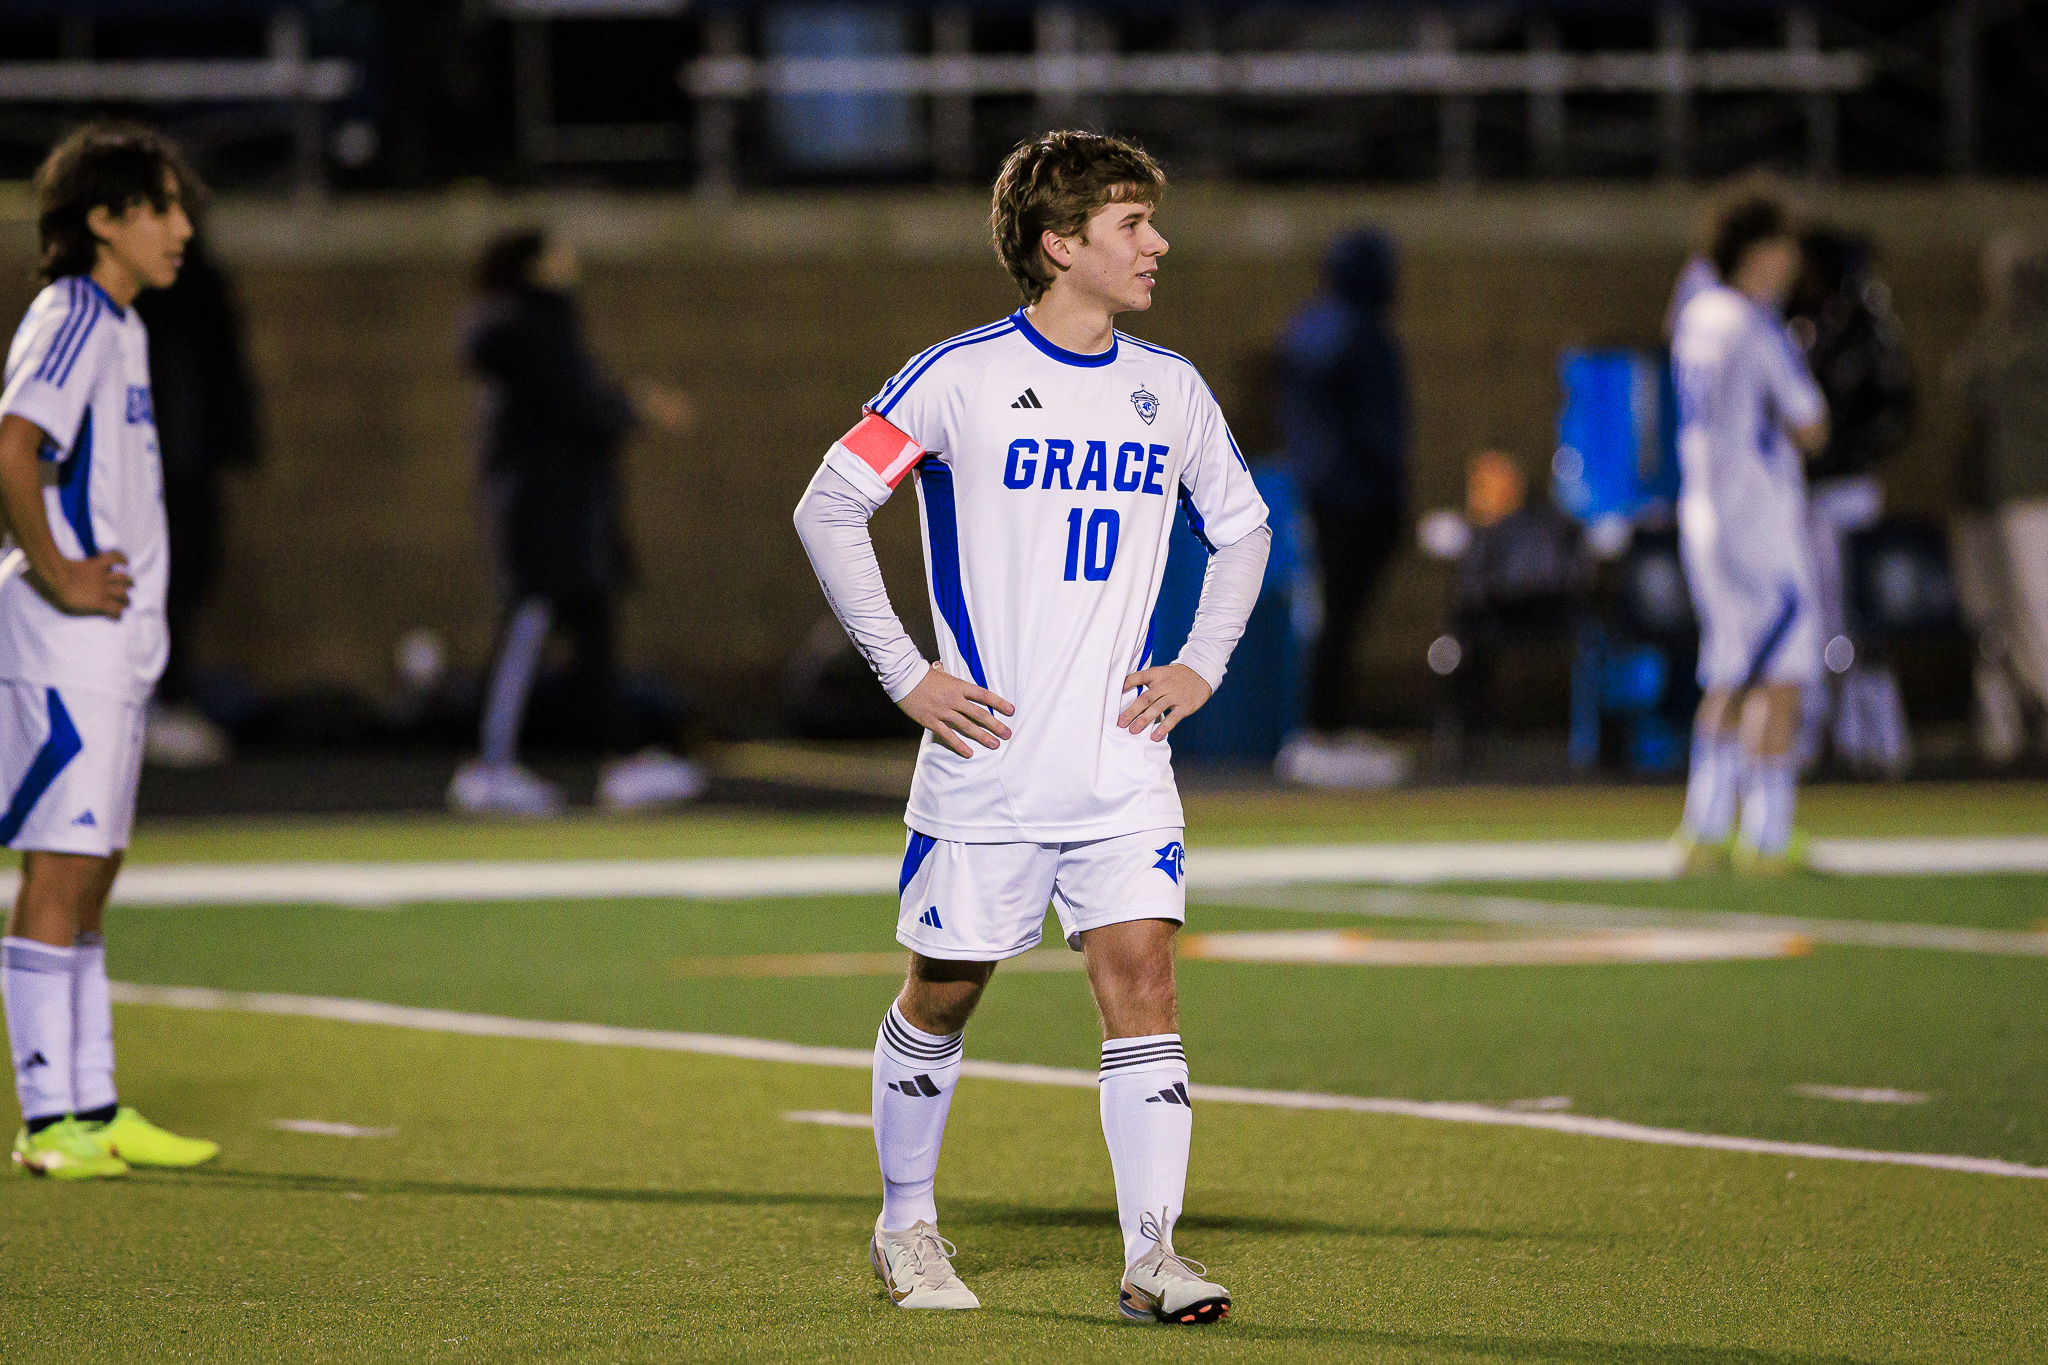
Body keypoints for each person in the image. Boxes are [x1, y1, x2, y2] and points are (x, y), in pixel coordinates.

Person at [791, 130, 1269, 1323]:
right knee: (942, 992)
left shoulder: (1171, 388)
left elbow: (1244, 529)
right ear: (1060, 246)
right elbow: (829, 504)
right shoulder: (954, 377)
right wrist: (903, 672)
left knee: (1145, 984)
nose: (1155, 244)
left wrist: (1201, 663)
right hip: (986, 765)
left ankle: (1152, 1254)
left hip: (1120, 762)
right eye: (1128, 225)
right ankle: (905, 1226)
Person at [0, 120, 221, 1178]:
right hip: (67, 639)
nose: (183, 228)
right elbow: (14, 443)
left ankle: (93, 1101)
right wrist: (59, 572)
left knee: (97, 870)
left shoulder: (122, 325)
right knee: (62, 862)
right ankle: (49, 1124)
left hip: (114, 642)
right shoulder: (74, 311)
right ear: (102, 219)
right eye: (163, 207)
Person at [448, 228, 703, 816]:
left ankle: (620, 762)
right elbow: (577, 406)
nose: (572, 260)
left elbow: (577, 398)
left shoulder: (539, 325)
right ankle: (490, 766)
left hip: (568, 513)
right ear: (535, 264)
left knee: (595, 641)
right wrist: (634, 407)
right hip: (543, 514)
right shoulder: (529, 324)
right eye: (558, 252)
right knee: (528, 628)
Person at [1670, 195, 1830, 874]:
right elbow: (1810, 424)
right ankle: (1767, 832)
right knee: (1784, 670)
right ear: (1756, 249)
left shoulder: (1695, 311)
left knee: (1730, 665)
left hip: (1703, 513)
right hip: (1757, 518)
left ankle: (1704, 825)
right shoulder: (1755, 325)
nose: (1791, 260)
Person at [1272, 228, 1412, 788]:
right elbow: (1378, 430)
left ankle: (1325, 727)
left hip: (1316, 495)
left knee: (1329, 620)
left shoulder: (1308, 328)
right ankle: (1323, 731)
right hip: (1354, 502)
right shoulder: (1359, 337)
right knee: (1337, 621)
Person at [1784, 228, 1916, 776]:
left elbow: (1896, 409)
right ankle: (1811, 736)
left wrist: (1842, 450)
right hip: (1802, 491)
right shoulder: (1793, 323)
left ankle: (1875, 739)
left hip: (1847, 488)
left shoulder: (1864, 324)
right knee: (1808, 617)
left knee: (1858, 615)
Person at [133, 229, 261, 769]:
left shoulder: (198, 289)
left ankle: (165, 698)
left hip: (185, 466)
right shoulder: (96, 309)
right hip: (140, 473)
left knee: (184, 577)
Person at [1954, 245, 2048, 759]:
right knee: (2000, 622)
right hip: (1999, 496)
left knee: (2039, 614)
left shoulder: (2025, 341)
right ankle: (2005, 729)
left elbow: (1974, 379)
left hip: (2033, 494)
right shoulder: (2000, 336)